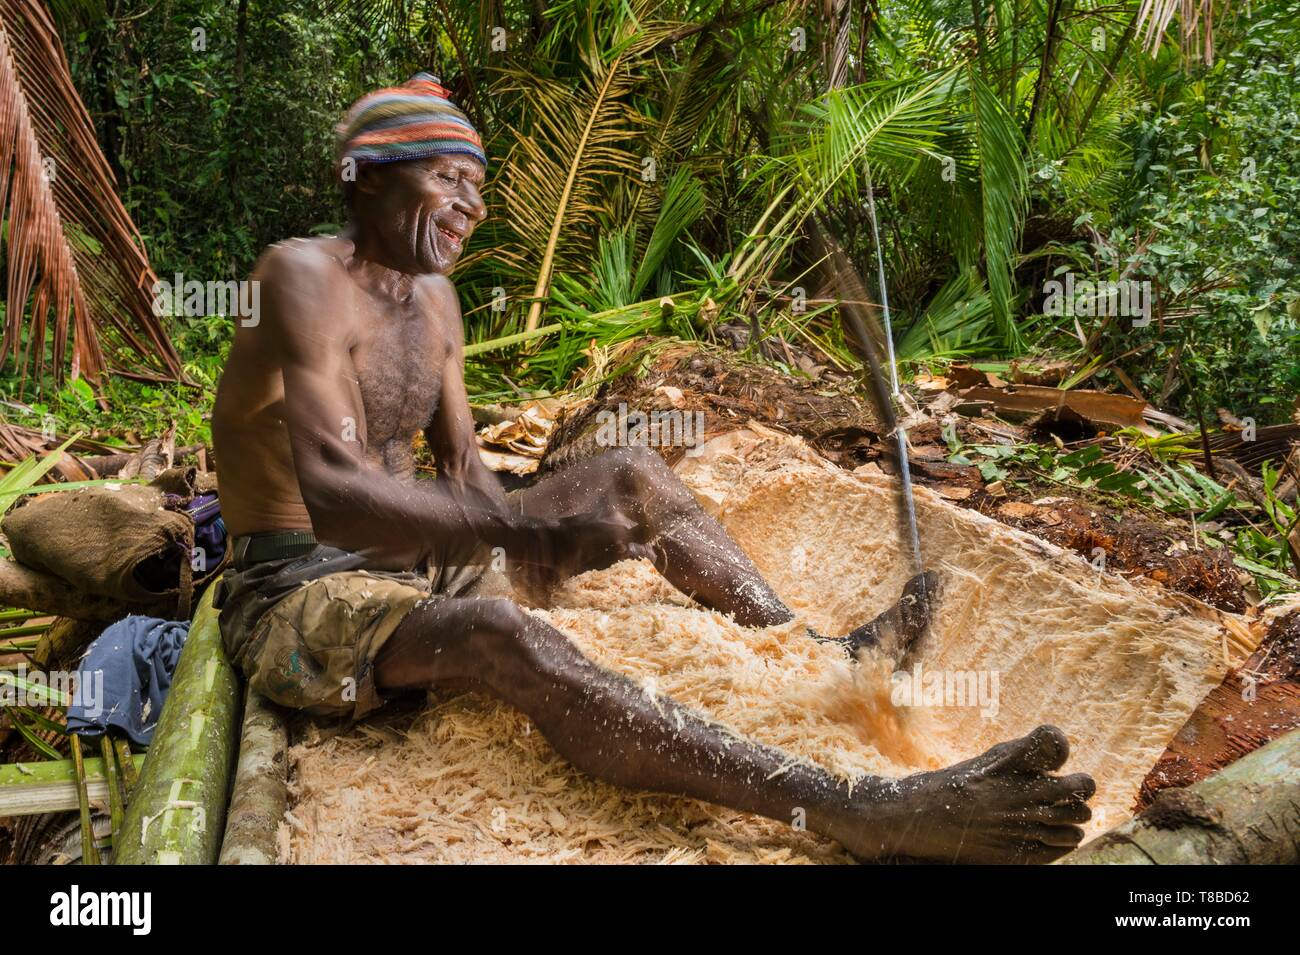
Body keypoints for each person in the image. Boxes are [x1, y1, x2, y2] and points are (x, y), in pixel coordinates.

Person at [211, 73, 1093, 863]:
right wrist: (514, 528)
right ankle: (850, 809)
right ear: (366, 177)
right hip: (302, 584)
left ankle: (806, 646)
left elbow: (463, 471)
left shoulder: (436, 301)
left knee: (629, 473)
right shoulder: (300, 276)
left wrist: (522, 533)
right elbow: (333, 496)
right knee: (502, 636)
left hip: (423, 563)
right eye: (446, 178)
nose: (470, 205)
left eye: (477, 187)